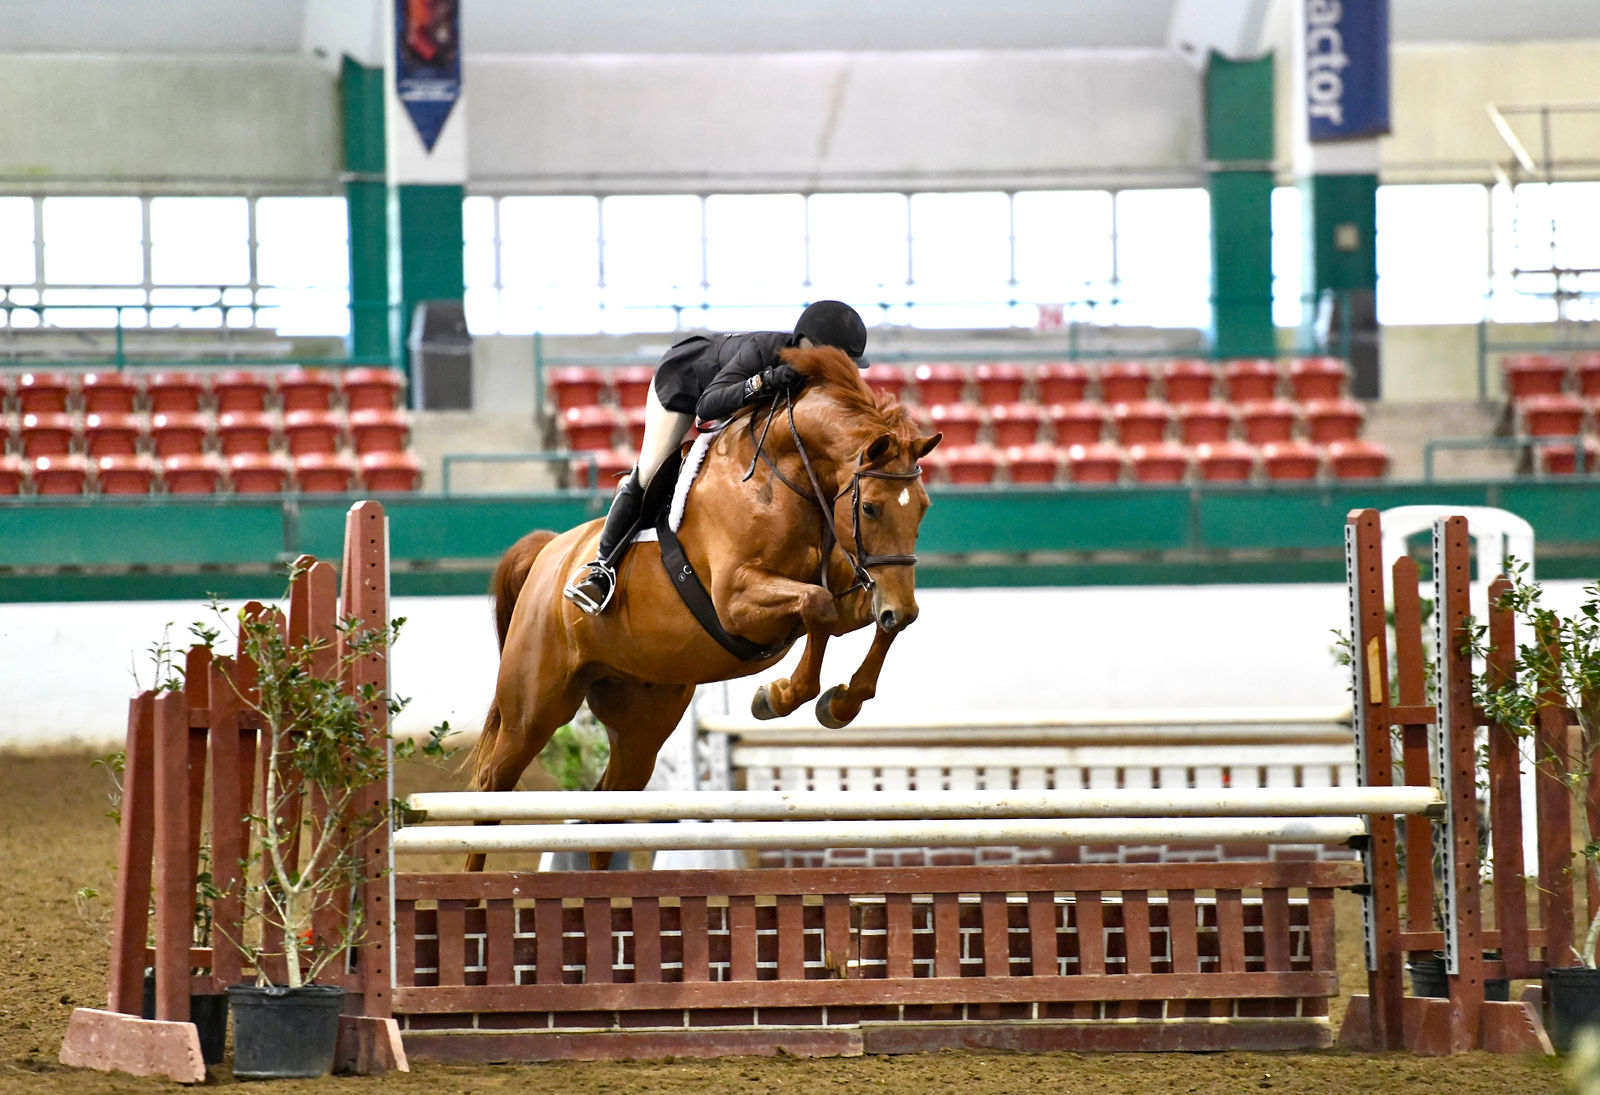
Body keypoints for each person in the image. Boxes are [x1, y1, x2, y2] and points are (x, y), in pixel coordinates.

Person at [563, 299, 871, 615]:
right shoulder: (760, 350)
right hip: (685, 384)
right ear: (814, 348)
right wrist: (764, 380)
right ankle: (600, 568)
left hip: (737, 403)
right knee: (651, 469)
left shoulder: (820, 372)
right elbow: (707, 407)